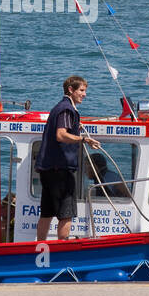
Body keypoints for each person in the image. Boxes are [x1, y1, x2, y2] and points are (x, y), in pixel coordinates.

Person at [35, 75, 100, 241]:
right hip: (61, 171)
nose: (84, 94)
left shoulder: (61, 108)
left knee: (47, 212)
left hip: (47, 169)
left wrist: (76, 127)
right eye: (81, 90)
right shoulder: (66, 109)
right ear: (71, 90)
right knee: (66, 214)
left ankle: (40, 246)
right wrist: (83, 139)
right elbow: (61, 134)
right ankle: (62, 248)